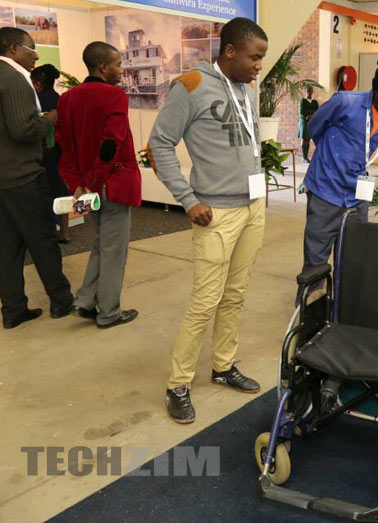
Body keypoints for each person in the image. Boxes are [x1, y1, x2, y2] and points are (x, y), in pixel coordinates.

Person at [148, 17, 268, 424]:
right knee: (205, 301)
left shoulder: (246, 88)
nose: (259, 66)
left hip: (253, 207)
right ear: (230, 51)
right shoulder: (191, 86)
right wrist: (187, 199)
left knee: (236, 294)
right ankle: (178, 384)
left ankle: (223, 365)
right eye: (254, 57)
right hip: (217, 213)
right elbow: (159, 144)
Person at [299, 53, 378, 282]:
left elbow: (365, 152)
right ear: (375, 89)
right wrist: (329, 156)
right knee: (316, 258)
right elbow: (315, 126)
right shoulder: (345, 102)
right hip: (325, 190)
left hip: (357, 196)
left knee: (353, 257)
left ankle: (343, 302)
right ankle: (312, 302)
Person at [57, 42, 140, 329]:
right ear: (103, 67)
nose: (121, 70)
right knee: (114, 250)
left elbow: (64, 148)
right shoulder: (114, 96)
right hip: (111, 184)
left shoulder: (67, 99)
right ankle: (109, 312)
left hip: (87, 187)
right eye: (118, 64)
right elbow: (110, 145)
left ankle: (85, 300)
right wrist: (93, 183)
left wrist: (78, 185)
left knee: (102, 242)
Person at [0, 27, 73, 329]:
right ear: (13, 49)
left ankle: (13, 310)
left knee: (8, 248)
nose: (36, 55)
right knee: (43, 240)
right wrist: (49, 120)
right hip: (22, 176)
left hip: (4, 178)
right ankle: (61, 301)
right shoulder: (14, 79)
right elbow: (23, 130)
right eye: (32, 48)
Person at [31, 63, 70, 243]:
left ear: (38, 83)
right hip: (60, 152)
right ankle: (64, 233)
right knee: (60, 191)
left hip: (42, 154)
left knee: (42, 195)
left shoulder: (36, 102)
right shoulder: (60, 99)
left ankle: (46, 232)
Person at [298, 86, 318, 163]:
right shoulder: (302, 101)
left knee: (308, 139)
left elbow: (317, 110)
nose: (309, 92)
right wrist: (307, 115)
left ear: (312, 92)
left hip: (311, 121)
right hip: (304, 121)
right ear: (305, 92)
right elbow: (301, 111)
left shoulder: (314, 102)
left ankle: (306, 157)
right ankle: (304, 157)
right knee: (304, 138)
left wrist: (312, 115)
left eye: (310, 91)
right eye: (307, 91)